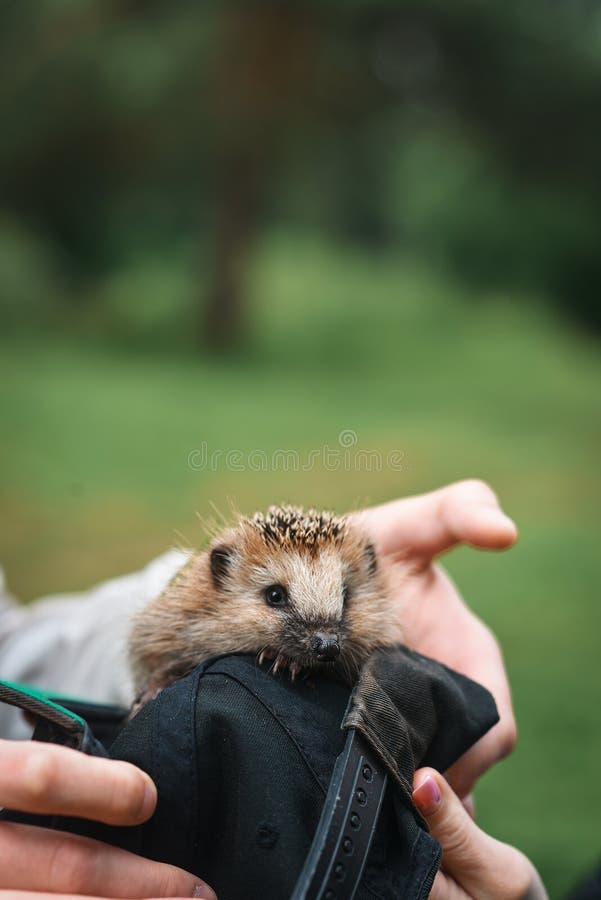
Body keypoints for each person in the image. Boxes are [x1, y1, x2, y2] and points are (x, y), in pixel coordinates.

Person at [0, 480, 547, 899]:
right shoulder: (182, 624)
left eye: (343, 603)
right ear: (219, 579)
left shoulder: (374, 633)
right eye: (278, 600)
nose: (327, 638)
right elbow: (151, 650)